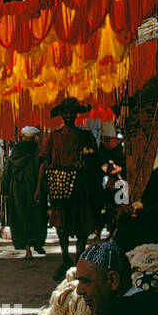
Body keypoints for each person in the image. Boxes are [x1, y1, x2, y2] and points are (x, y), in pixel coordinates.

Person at [37, 97, 99, 280]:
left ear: (76, 114)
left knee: (81, 226)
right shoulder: (53, 136)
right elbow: (44, 162)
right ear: (61, 115)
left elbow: (95, 159)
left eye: (72, 112)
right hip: (59, 186)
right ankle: (65, 259)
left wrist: (85, 162)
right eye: (66, 112)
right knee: (61, 225)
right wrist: (39, 187)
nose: (69, 115)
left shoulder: (85, 136)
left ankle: (80, 260)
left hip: (81, 187)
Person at [2, 126, 47, 258]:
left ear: (22, 137)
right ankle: (37, 243)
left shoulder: (14, 151)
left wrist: (4, 190)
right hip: (34, 187)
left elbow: (6, 171)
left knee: (21, 215)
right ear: (34, 138)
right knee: (37, 215)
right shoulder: (38, 151)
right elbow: (43, 171)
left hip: (16, 188)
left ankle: (27, 247)